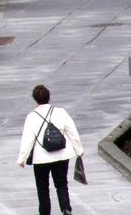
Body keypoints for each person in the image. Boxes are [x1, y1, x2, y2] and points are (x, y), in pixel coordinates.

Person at [17, 84, 84, 215]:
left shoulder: (31, 116)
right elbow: (72, 132)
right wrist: (78, 150)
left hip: (41, 158)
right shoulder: (60, 112)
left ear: (35, 99)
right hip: (61, 155)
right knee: (61, 183)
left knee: (42, 187)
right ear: (49, 97)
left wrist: (22, 158)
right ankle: (65, 209)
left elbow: (27, 139)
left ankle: (45, 212)